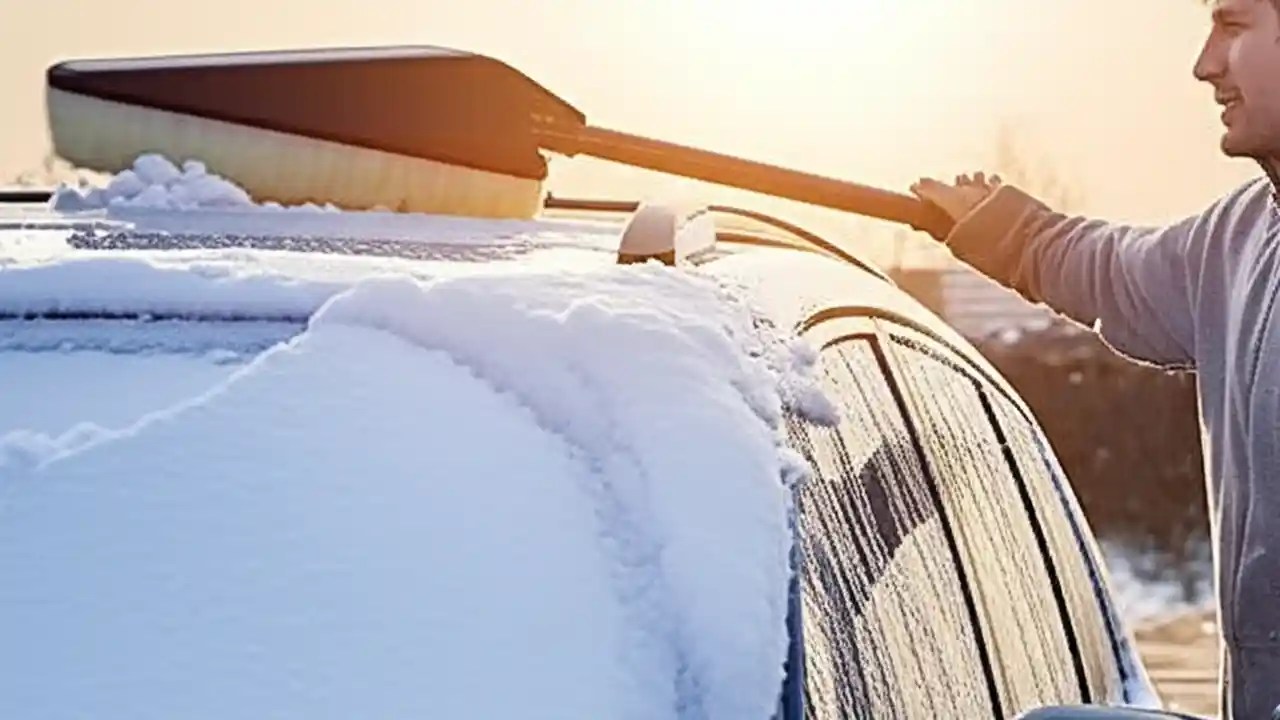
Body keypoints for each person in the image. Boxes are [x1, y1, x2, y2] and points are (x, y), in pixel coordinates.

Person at [909, 0, 1280, 717]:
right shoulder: (1239, 238)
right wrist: (1007, 230)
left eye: (1233, 25)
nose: (1205, 65)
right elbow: (1117, 272)